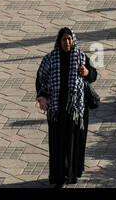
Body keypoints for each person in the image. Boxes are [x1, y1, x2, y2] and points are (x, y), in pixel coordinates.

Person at [36, 28, 98, 188]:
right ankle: (58, 175)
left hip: (76, 110)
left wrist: (86, 72)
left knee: (73, 143)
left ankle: (71, 173)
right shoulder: (50, 59)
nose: (67, 42)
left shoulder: (81, 57)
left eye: (69, 39)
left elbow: (93, 76)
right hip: (56, 110)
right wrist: (42, 96)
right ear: (59, 41)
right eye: (64, 39)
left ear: (74, 40)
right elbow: (40, 79)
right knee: (57, 144)